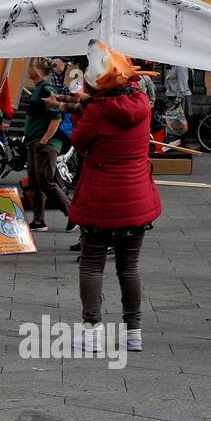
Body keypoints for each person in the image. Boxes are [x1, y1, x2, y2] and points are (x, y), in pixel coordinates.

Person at [68, 45, 162, 354]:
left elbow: (79, 143)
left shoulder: (96, 112)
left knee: (93, 264)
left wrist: (80, 107)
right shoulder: (143, 104)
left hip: (100, 197)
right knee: (129, 266)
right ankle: (133, 332)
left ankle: (92, 330)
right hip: (136, 196)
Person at [23, 58, 72, 231]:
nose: (28, 70)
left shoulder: (46, 89)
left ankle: (72, 213)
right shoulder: (40, 89)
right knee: (35, 182)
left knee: (45, 181)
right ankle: (38, 220)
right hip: (35, 141)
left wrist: (44, 140)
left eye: (30, 67)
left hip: (46, 143)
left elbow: (56, 117)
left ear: (36, 70)